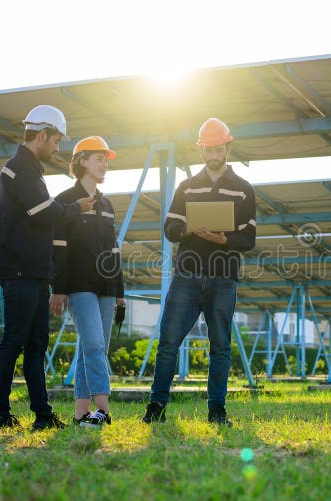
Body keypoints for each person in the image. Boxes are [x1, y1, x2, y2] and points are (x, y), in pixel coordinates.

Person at [0, 105, 96, 431]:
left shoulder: (30, 169)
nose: (58, 148)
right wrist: (75, 207)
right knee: (15, 341)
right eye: (56, 140)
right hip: (19, 271)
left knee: (36, 345)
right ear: (43, 134)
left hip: (33, 272)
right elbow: (43, 211)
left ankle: (43, 415)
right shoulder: (18, 168)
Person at [142, 118, 256, 426]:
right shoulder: (187, 187)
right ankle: (157, 406)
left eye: (218, 148)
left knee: (220, 346)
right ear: (201, 150)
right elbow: (170, 228)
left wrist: (224, 239)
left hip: (223, 278)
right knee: (168, 341)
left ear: (227, 148)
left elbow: (249, 238)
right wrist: (190, 227)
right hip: (187, 277)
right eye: (207, 148)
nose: (212, 153)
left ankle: (216, 410)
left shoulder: (243, 190)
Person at [49, 136, 125, 429]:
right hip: (78, 286)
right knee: (93, 343)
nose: (104, 164)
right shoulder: (65, 201)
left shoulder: (107, 205)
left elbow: (114, 251)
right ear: (81, 161)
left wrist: (120, 292)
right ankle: (103, 411)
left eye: (106, 160)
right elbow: (58, 247)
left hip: (106, 287)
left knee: (90, 349)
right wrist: (58, 288)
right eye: (99, 159)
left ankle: (81, 413)